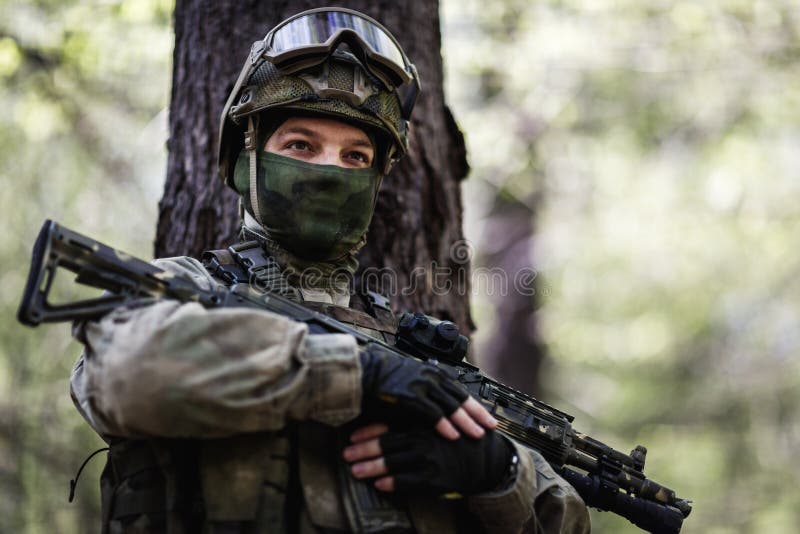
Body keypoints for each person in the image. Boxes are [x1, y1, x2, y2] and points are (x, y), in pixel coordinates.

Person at [70, 7, 591, 534]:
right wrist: (354, 374)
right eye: (301, 145)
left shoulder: (412, 357)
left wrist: (497, 473)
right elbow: (120, 376)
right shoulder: (184, 289)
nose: (328, 172)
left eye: (355, 157)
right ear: (248, 157)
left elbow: (566, 517)